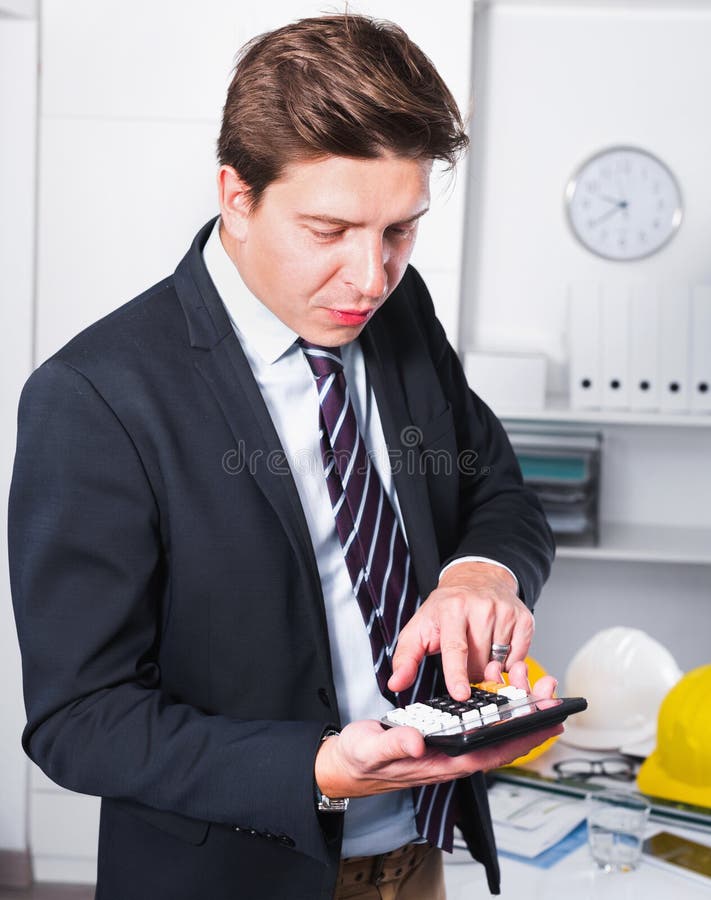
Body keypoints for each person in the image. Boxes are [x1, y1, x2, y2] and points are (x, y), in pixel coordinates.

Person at [9, 14, 558, 900]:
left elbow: (492, 486)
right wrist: (318, 768)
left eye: (400, 231)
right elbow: (82, 720)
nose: (369, 277)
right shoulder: (95, 397)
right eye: (329, 230)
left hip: (419, 860)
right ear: (236, 195)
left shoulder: (399, 308)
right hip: (236, 875)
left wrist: (480, 574)